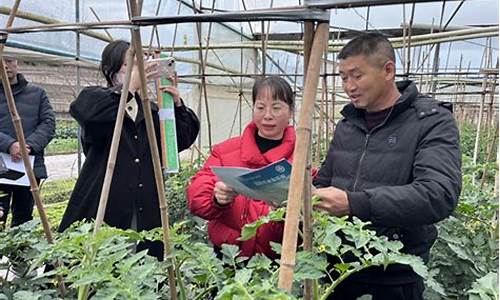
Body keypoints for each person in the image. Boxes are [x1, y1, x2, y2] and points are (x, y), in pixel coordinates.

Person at [312, 33, 462, 300]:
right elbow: (325, 180)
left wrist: (354, 203)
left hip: (394, 277)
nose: (348, 86)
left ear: (388, 70)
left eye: (357, 75)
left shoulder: (431, 121)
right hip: (338, 272)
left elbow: (438, 194)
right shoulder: (347, 125)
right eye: (343, 77)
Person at [58, 40, 200, 259]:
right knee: (103, 261)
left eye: (140, 65)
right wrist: (128, 89)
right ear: (110, 70)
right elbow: (85, 113)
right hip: (105, 203)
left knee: (144, 261)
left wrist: (175, 105)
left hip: (146, 204)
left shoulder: (151, 111)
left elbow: (180, 140)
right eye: (129, 65)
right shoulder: (98, 100)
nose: (138, 71)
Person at [187, 76, 296, 259]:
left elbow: (312, 218)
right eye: (260, 107)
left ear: (291, 111)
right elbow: (196, 196)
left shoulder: (300, 160)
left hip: (276, 263)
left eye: (276, 108)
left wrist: (285, 212)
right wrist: (217, 198)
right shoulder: (226, 152)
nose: (268, 115)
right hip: (228, 257)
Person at [0, 55, 55, 227]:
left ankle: (19, 253)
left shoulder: (37, 94)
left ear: (17, 62)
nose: (6, 65)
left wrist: (28, 146)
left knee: (23, 218)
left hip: (29, 165)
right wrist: (9, 145)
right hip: (1, 164)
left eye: (9, 60)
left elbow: (48, 123)